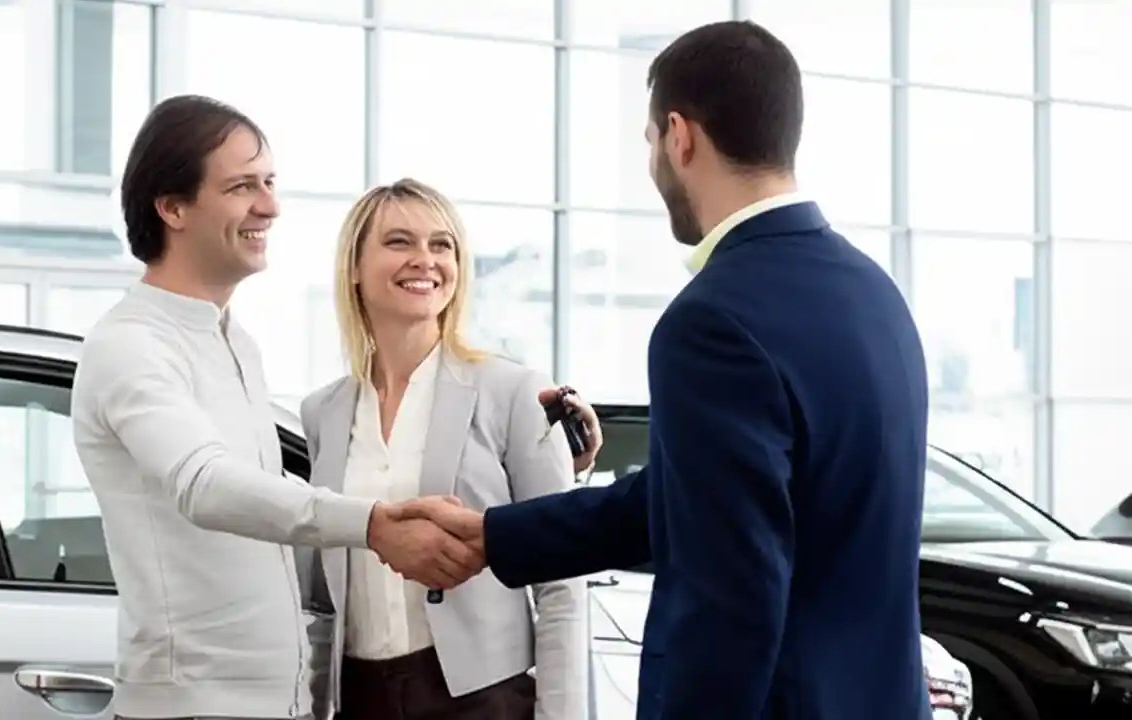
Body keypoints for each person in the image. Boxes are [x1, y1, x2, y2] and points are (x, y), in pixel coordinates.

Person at [399, 20, 932, 720]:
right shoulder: (873, 292)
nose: (654, 159)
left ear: (680, 136)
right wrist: (500, 535)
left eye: (650, 141)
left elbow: (729, 600)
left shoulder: (712, 320)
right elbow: (708, 499)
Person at [70, 95, 485, 720]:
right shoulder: (130, 344)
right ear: (172, 207)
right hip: (193, 705)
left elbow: (280, 508)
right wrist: (374, 525)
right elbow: (205, 485)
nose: (270, 205)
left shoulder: (235, 341)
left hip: (276, 703)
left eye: (269, 182)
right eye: (242, 186)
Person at [298, 177, 594, 720]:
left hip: (482, 699)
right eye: (399, 242)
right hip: (359, 696)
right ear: (355, 267)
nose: (425, 260)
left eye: (442, 245)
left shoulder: (512, 392)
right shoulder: (323, 412)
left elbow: (561, 583)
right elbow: (319, 595)